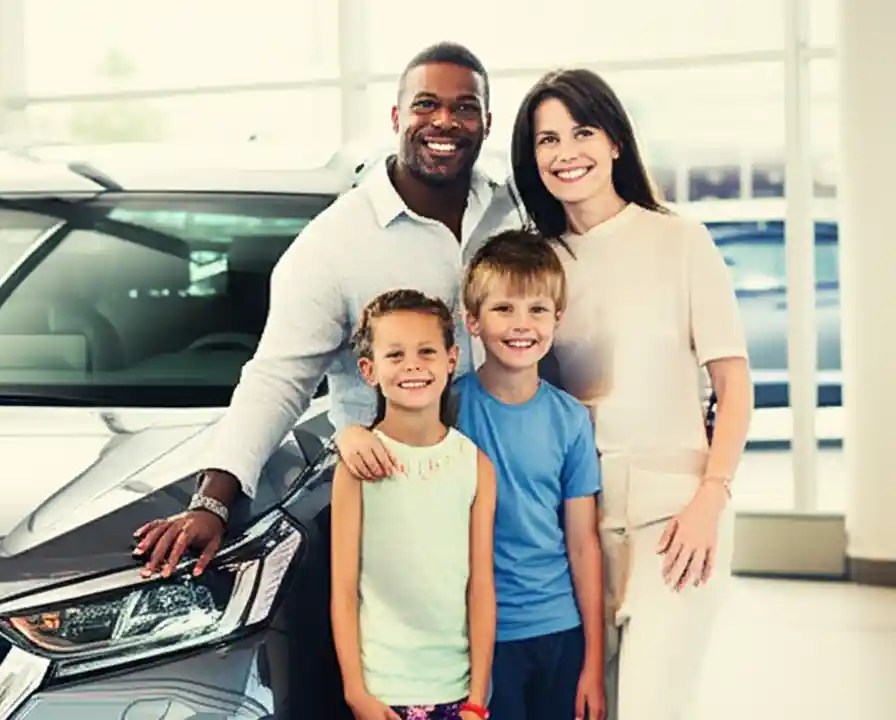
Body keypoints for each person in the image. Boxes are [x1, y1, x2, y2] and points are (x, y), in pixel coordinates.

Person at [132, 40, 525, 577]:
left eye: (464, 108)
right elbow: (279, 377)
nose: (445, 121)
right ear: (396, 116)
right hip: (396, 512)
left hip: (517, 503)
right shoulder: (334, 242)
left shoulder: (514, 214)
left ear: (485, 121)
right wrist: (213, 501)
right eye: (426, 104)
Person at [509, 68, 753, 720]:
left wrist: (712, 495)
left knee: (652, 704)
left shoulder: (680, 240)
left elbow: (734, 385)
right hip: (573, 525)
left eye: (582, 132)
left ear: (615, 140)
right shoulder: (535, 263)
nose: (566, 154)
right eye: (547, 140)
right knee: (594, 706)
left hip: (675, 517)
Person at [336, 231, 606, 720]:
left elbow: (583, 543)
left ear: (557, 319)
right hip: (478, 644)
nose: (521, 324)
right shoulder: (450, 404)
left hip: (557, 630)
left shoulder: (570, 419)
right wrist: (348, 433)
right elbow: (395, 424)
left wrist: (593, 662)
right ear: (473, 322)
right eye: (504, 309)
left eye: (537, 310)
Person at [329, 289, 497, 720]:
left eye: (426, 351)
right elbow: (344, 589)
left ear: (451, 358)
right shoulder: (356, 467)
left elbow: (480, 587)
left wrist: (478, 697)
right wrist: (356, 692)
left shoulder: (475, 465)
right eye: (395, 354)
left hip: (457, 690)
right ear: (368, 370)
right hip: (382, 691)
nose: (413, 366)